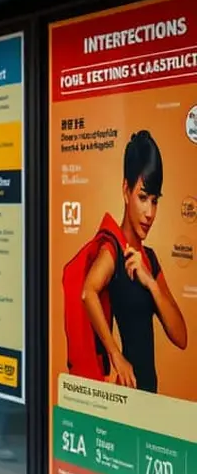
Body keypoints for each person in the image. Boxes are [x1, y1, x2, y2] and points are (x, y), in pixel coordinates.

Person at [81, 130, 188, 393]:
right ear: (125, 190)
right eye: (142, 197)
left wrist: (151, 283)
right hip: (128, 392)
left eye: (154, 201)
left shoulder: (149, 259)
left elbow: (181, 337)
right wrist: (116, 355)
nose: (149, 213)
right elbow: (88, 292)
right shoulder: (113, 251)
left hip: (150, 391)